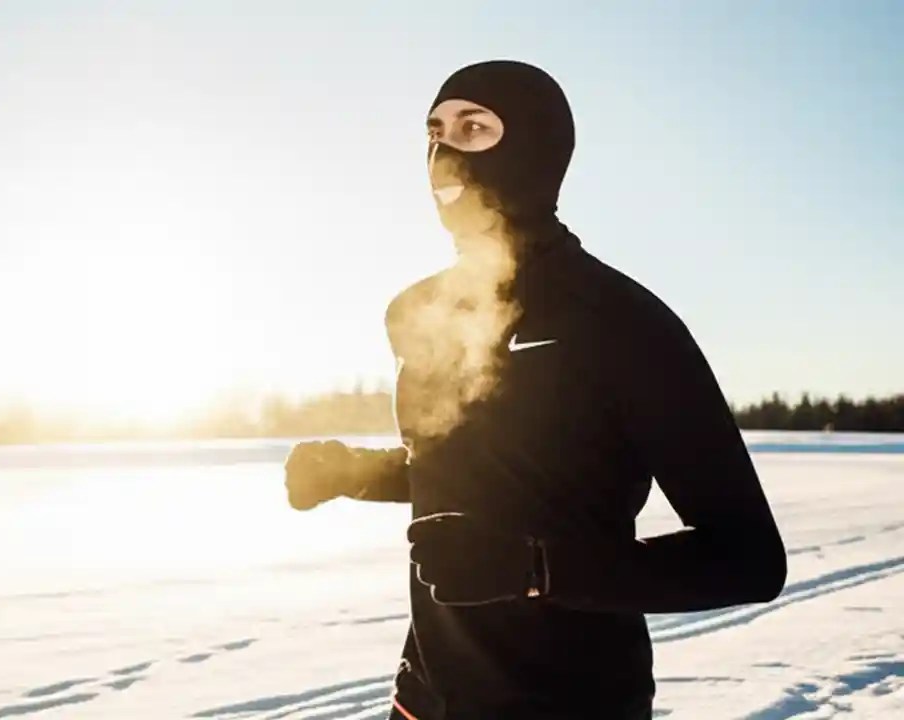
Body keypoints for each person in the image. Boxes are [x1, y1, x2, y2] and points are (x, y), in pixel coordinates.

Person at [283, 60, 787, 720]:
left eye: (473, 128)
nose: (442, 152)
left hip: (568, 701)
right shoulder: (417, 311)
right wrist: (355, 473)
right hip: (423, 698)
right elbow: (465, 463)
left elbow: (748, 559)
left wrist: (536, 569)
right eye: (433, 130)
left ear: (537, 148)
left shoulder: (621, 321)